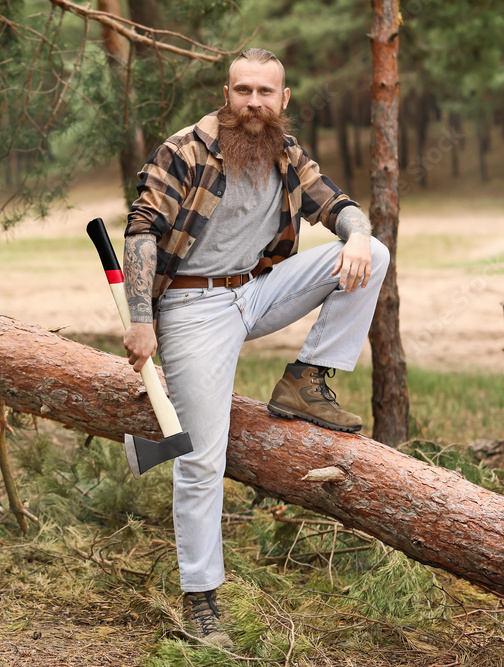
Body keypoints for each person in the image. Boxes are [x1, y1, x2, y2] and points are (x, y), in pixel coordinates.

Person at [121, 48, 389, 645]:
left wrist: (360, 235)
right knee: (199, 457)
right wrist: (142, 319)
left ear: (283, 99)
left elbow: (339, 206)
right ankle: (200, 597)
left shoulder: (287, 152)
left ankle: (307, 379)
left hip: (258, 290)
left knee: (375, 255)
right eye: (243, 91)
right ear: (227, 93)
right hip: (193, 306)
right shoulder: (185, 150)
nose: (254, 104)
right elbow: (141, 231)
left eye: (265, 93)